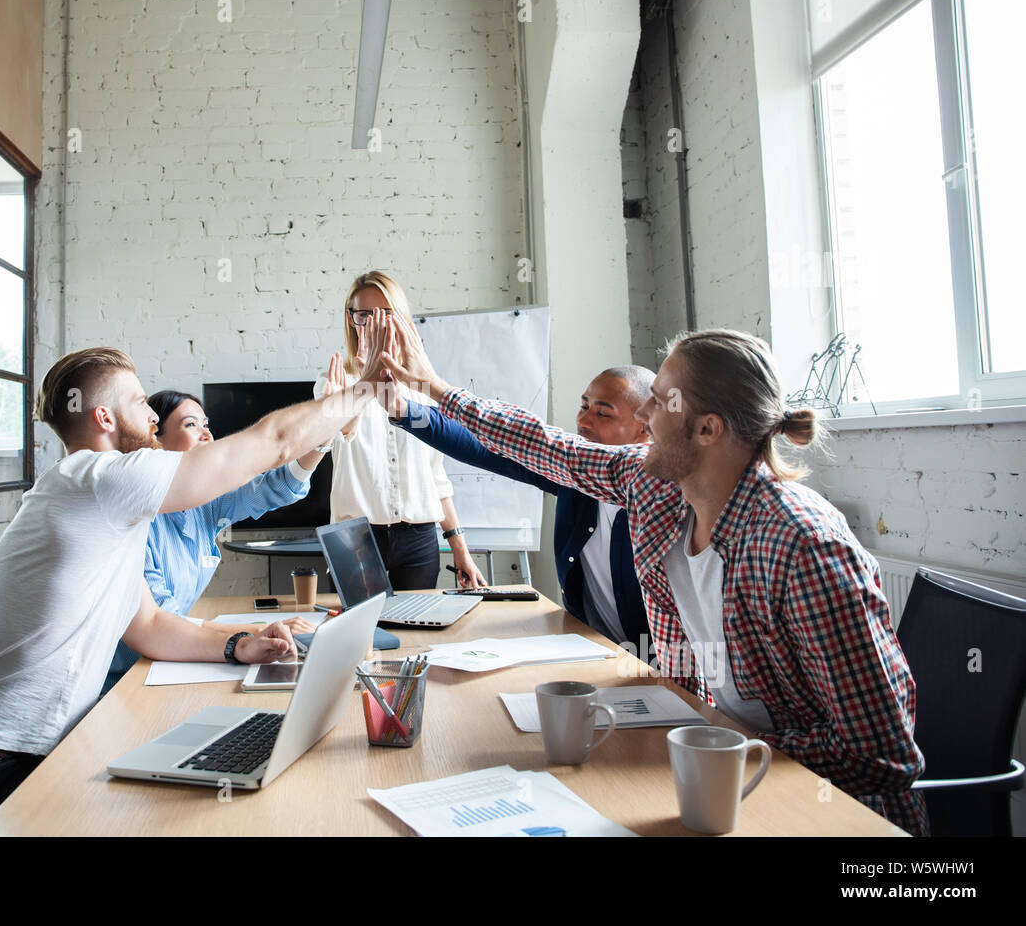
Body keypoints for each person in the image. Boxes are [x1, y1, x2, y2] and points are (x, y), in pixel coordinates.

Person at [379, 318, 928, 836]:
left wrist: (724, 747)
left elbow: (880, 755)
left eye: (660, 401)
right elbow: (546, 446)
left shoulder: (801, 546)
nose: (641, 418)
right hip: (714, 777)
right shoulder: (655, 488)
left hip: (818, 810)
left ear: (708, 429)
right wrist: (436, 388)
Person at [0, 329, 391, 831]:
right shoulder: (101, 478)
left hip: (35, 754)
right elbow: (271, 443)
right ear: (104, 417)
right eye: (140, 401)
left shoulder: (103, 505)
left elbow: (148, 625)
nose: (150, 414)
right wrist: (358, 393)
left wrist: (242, 645)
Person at [382, 366, 654, 653]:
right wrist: (403, 410)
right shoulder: (573, 478)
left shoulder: (655, 493)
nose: (583, 422)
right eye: (583, 406)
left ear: (645, 426)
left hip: (654, 668)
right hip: (593, 650)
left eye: (603, 413)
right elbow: (481, 447)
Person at [100, 389, 322, 694]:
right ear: (156, 440)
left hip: (173, 661)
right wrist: (254, 635)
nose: (207, 434)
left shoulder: (206, 504)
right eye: (191, 425)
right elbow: (161, 621)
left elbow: (279, 486)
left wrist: (324, 440)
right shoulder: (138, 519)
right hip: (125, 681)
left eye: (206, 424)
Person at [316, 271, 487, 592]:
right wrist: (367, 381)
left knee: (417, 633)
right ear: (350, 319)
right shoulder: (335, 382)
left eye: (384, 314)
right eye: (363, 315)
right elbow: (343, 431)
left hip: (419, 538)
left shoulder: (422, 387)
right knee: (358, 637)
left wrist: (460, 549)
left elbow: (435, 476)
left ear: (400, 318)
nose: (373, 324)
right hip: (355, 539)